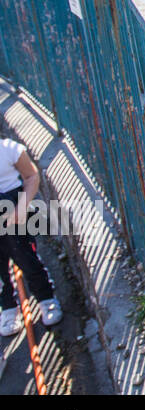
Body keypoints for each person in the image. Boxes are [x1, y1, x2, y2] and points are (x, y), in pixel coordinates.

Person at [0, 133, 61, 337]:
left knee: (26, 256)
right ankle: (8, 308)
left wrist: (22, 206)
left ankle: (46, 299)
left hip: (13, 210)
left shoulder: (10, 150)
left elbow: (31, 176)